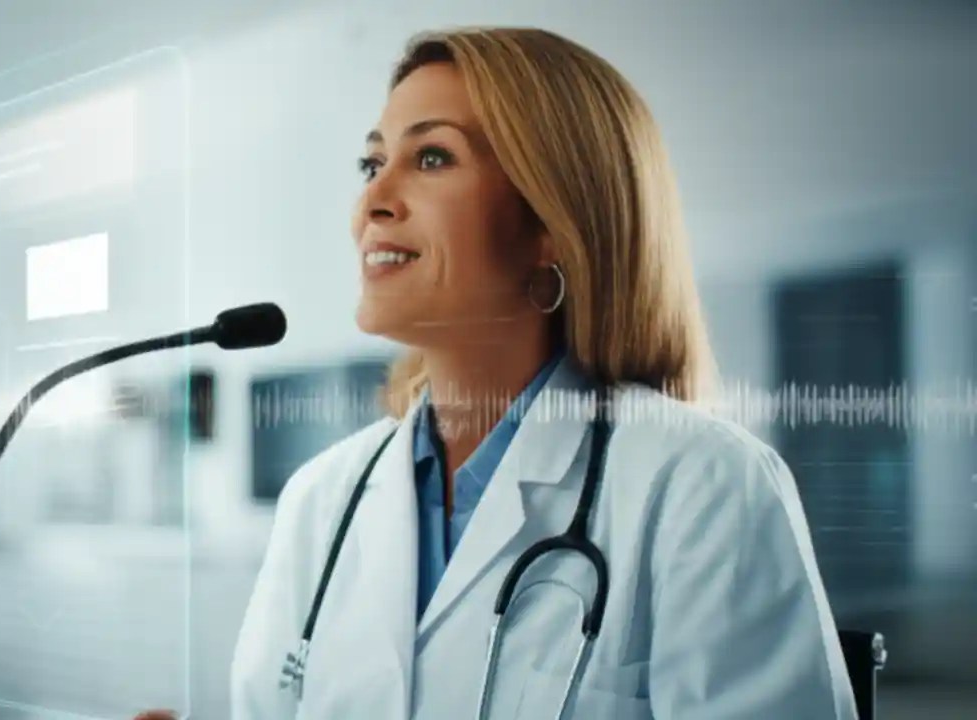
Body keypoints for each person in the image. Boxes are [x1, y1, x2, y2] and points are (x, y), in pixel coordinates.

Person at [139, 25, 856, 719]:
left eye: (431, 159)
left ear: (551, 220)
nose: (372, 202)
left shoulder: (702, 485)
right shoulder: (321, 498)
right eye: (371, 163)